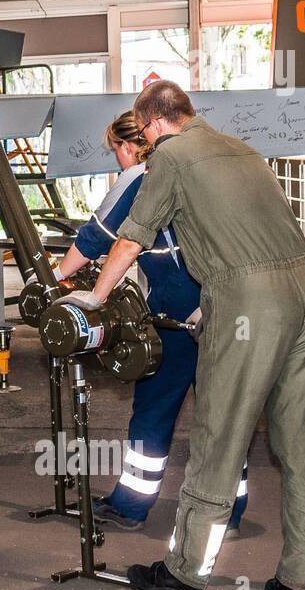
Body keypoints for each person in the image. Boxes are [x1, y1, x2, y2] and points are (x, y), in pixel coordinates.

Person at [61, 81, 305, 590]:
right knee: (302, 441)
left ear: (154, 124)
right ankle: (300, 580)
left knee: (218, 433)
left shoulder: (172, 158)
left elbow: (134, 234)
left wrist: (95, 294)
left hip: (249, 300)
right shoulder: (243, 150)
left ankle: (184, 572)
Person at [54, 112, 247, 533]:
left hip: (178, 316)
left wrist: (55, 280)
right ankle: (228, 511)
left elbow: (99, 238)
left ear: (130, 147)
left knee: (153, 409)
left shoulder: (145, 178)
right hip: (228, 306)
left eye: (116, 152)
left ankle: (131, 506)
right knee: (223, 413)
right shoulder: (208, 171)